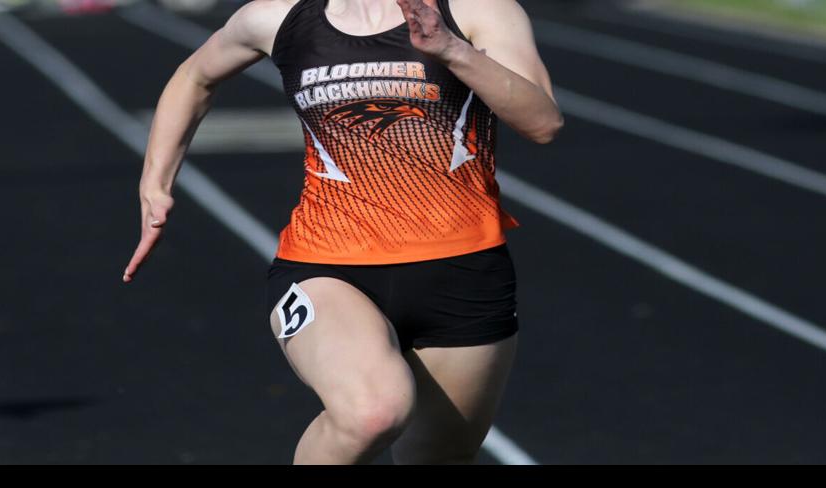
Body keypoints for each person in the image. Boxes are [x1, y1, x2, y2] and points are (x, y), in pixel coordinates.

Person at [125, 0, 562, 464]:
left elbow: (543, 123)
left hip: (463, 273)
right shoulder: (277, 17)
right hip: (327, 265)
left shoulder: (476, 10)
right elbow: (195, 76)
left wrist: (452, 50)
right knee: (372, 411)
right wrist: (154, 184)